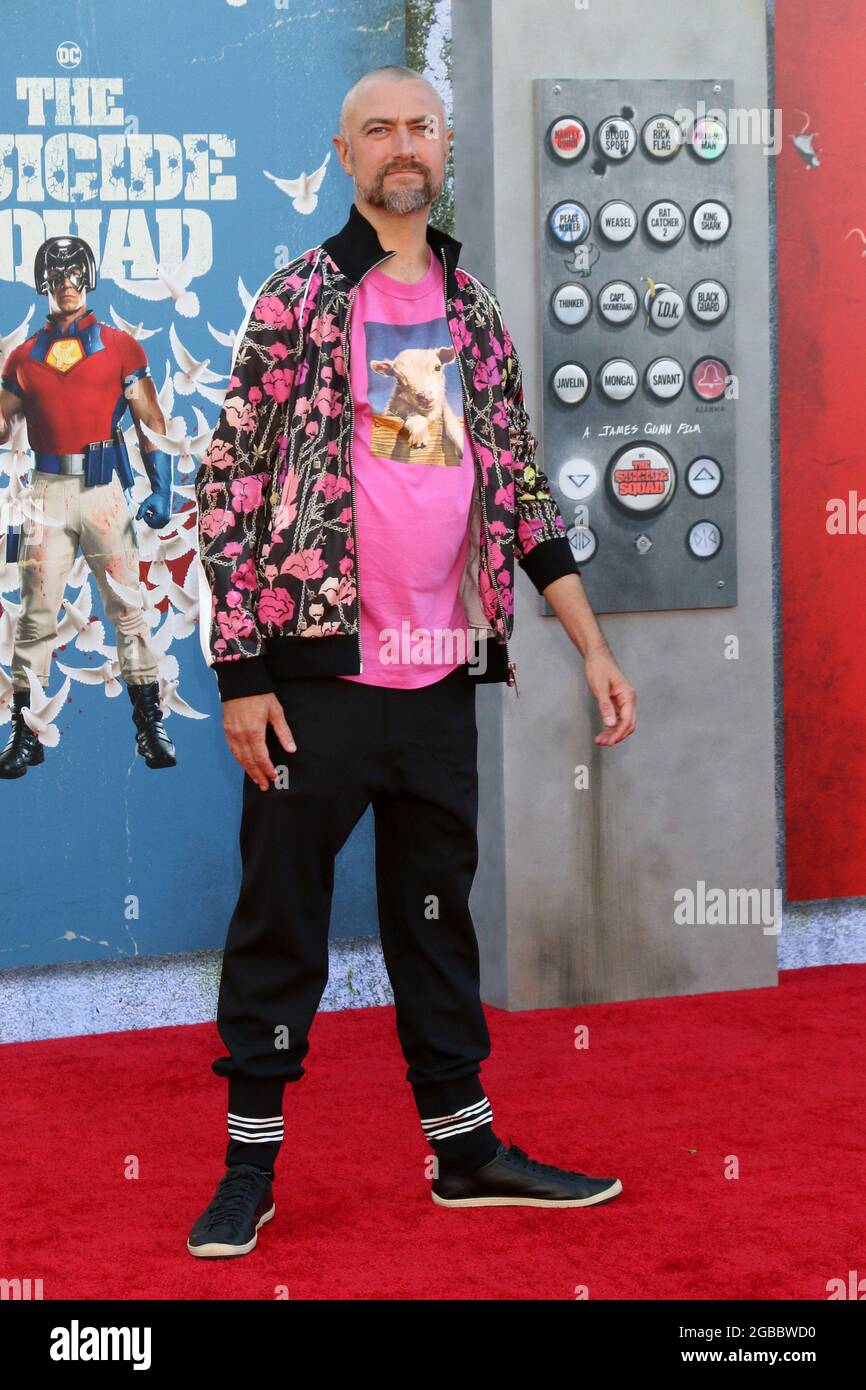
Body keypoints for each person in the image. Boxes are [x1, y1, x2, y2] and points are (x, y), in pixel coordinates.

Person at [188, 65, 636, 1259]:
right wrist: (242, 669)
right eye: (378, 128)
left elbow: (497, 482)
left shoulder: (464, 310)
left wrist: (586, 645)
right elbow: (227, 483)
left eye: (419, 127)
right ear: (345, 154)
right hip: (311, 687)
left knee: (434, 922)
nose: (403, 145)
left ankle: (464, 1153)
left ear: (444, 149)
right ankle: (246, 1172)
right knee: (280, 919)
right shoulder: (296, 299)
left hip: (437, 676)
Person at [0, 235, 177, 773]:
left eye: (75, 275)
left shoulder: (120, 346)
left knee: (128, 610)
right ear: (45, 283)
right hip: (46, 494)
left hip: (103, 493)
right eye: (58, 277)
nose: (68, 285)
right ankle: (26, 734)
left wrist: (161, 484)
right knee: (35, 618)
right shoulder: (24, 356)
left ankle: (151, 724)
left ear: (89, 276)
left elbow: (149, 421)